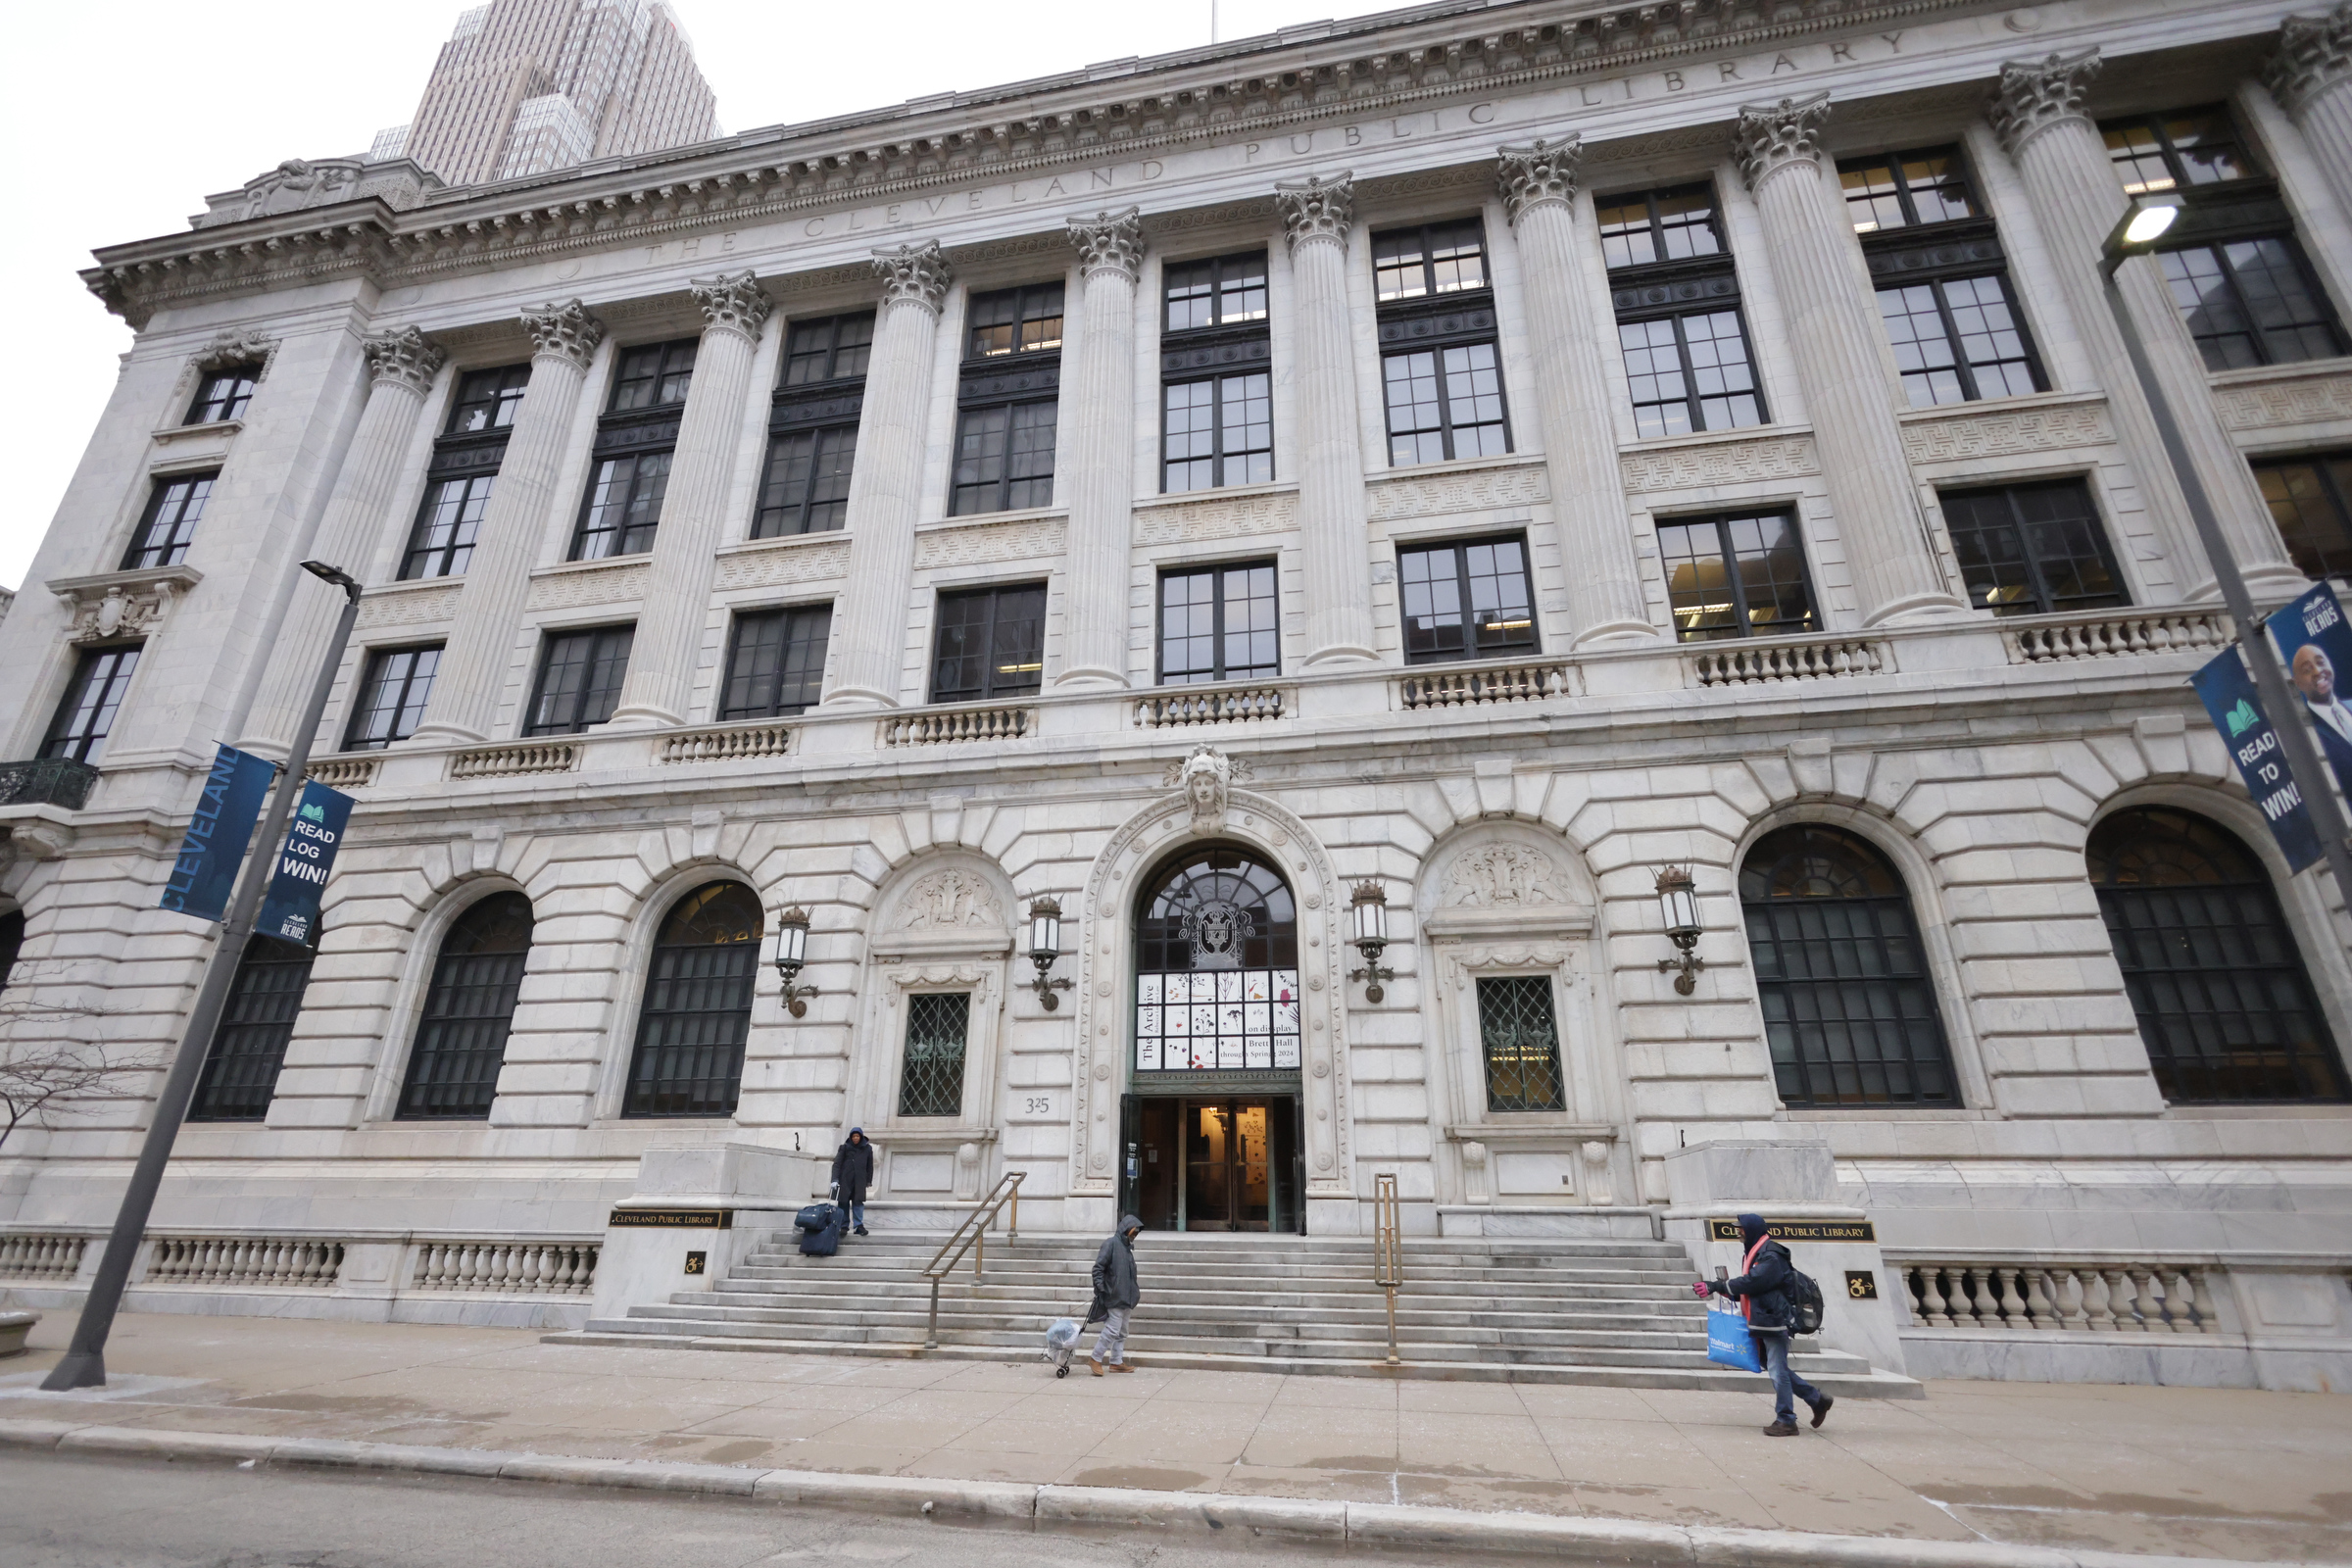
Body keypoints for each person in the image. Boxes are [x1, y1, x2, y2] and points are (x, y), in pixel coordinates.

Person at [1694, 1213, 1834, 1437]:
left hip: (1775, 1321)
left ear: (1752, 1229)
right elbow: (1757, 1290)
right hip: (1761, 1318)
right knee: (1775, 1367)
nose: (1738, 1231)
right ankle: (1816, 1399)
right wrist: (1725, 1291)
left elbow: (1755, 1281)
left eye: (1741, 1228)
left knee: (1778, 1370)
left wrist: (1718, 1284)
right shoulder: (1754, 1253)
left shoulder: (1771, 1255)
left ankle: (1787, 1420)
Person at [1086, 1214, 1143, 1376]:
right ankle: (1095, 1358)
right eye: (1133, 1232)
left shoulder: (1126, 1248)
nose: (1134, 1235)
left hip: (1127, 1297)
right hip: (1114, 1296)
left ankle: (1116, 1362)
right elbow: (1098, 1268)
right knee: (1112, 1330)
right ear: (1125, 1229)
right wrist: (1101, 1288)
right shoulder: (1111, 1244)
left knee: (1122, 1332)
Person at [2291, 645, 2352, 782]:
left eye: (2320, 662)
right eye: (2307, 670)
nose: (2317, 671)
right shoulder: (2305, 731)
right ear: (2298, 683)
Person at [829, 1127, 873, 1238]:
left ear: (861, 1137)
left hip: (859, 1181)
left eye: (857, 1136)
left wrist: (868, 1180)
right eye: (853, 1136)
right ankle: (843, 1225)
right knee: (843, 1203)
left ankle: (858, 1226)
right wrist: (835, 1179)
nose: (855, 1138)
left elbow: (870, 1166)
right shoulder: (844, 1148)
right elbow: (837, 1164)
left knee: (858, 1203)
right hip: (845, 1180)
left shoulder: (867, 1149)